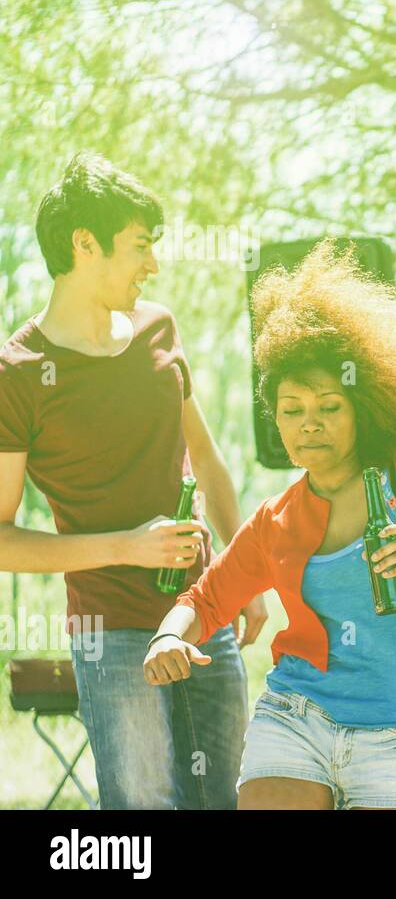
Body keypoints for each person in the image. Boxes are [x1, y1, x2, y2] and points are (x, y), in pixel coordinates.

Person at [142, 243, 396, 810]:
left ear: (364, 406)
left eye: (329, 407)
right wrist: (168, 635)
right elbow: (206, 597)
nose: (309, 425)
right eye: (292, 410)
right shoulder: (275, 519)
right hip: (297, 716)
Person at [0, 153, 261, 809]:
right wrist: (127, 546)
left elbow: (207, 460)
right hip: (111, 632)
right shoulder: (20, 373)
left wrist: (241, 576)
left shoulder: (157, 329)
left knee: (222, 800)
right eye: (140, 246)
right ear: (84, 245)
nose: (154, 264)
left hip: (204, 616)